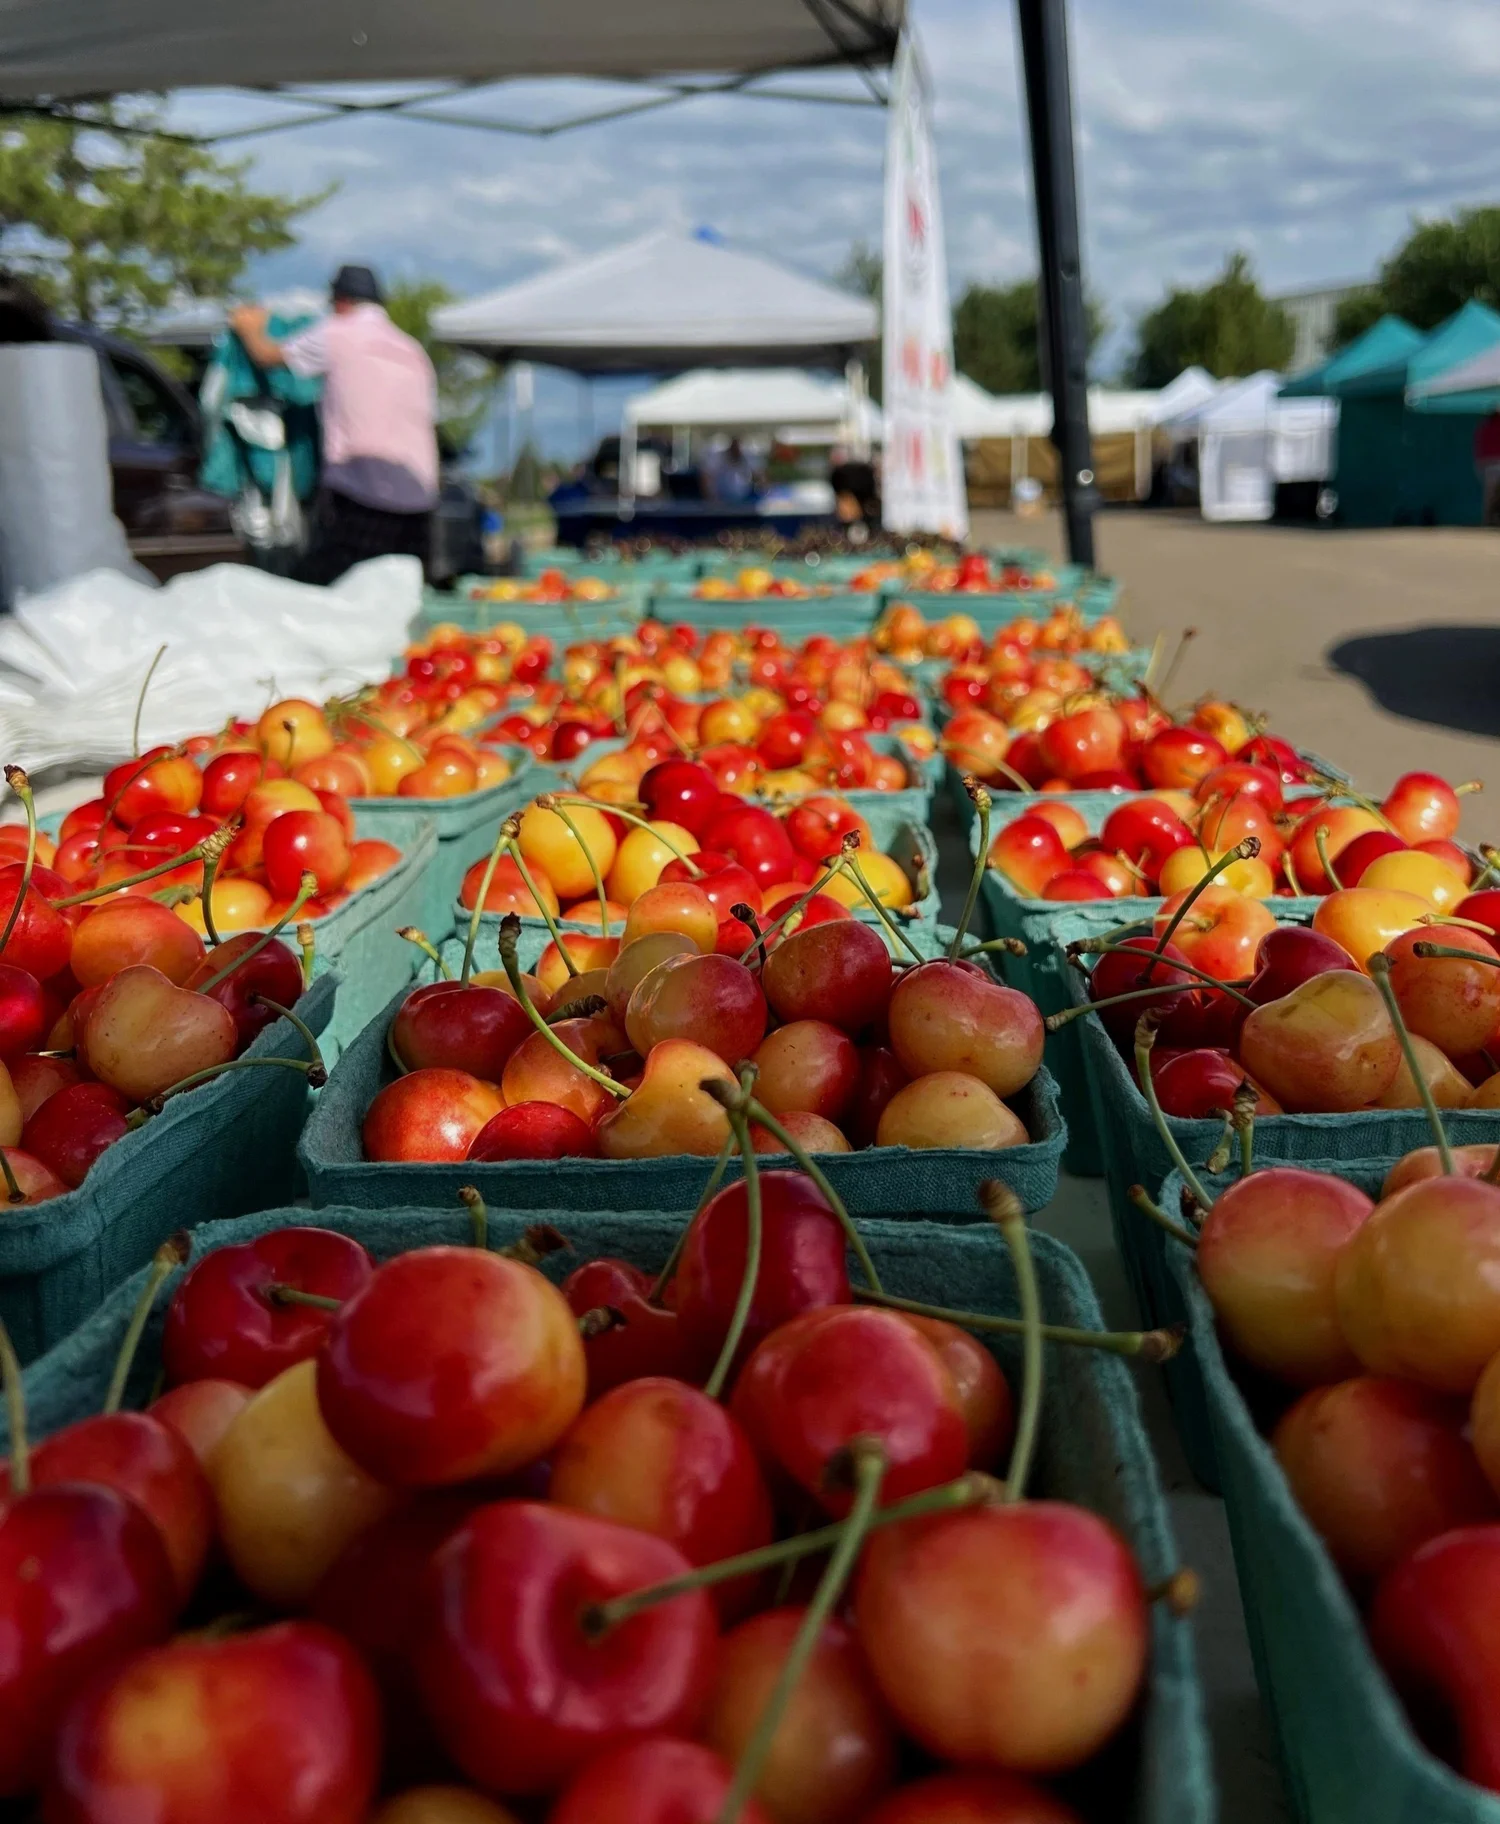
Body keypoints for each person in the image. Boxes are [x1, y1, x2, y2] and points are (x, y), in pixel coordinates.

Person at [228, 265, 438, 584]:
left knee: (324, 587)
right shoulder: (412, 350)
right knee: (401, 592)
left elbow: (266, 355)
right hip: (419, 496)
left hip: (361, 490)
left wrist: (249, 326)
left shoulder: (337, 332)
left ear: (341, 301)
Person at [702, 436, 757, 504]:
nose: (736, 450)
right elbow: (706, 476)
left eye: (738, 449)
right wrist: (712, 497)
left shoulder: (747, 459)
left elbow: (758, 475)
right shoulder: (720, 459)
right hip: (722, 500)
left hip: (744, 500)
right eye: (734, 448)